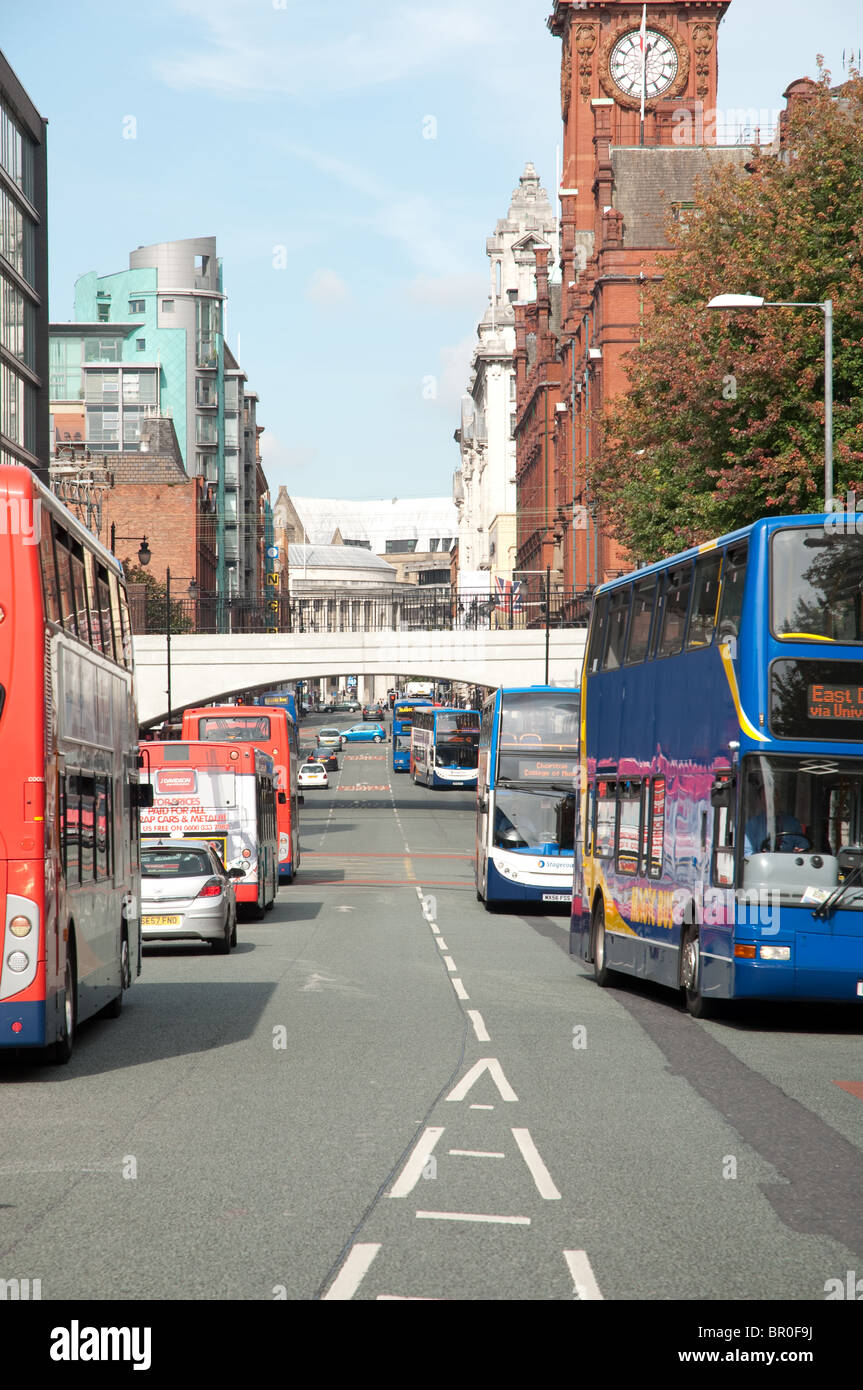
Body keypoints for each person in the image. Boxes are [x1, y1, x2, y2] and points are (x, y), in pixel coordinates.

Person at [744, 780, 807, 856]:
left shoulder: (793, 823)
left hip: (787, 864)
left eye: (773, 796)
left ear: (778, 797)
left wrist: (799, 850)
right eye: (766, 797)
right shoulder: (753, 824)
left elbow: (803, 846)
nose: (771, 801)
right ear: (761, 800)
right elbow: (748, 852)